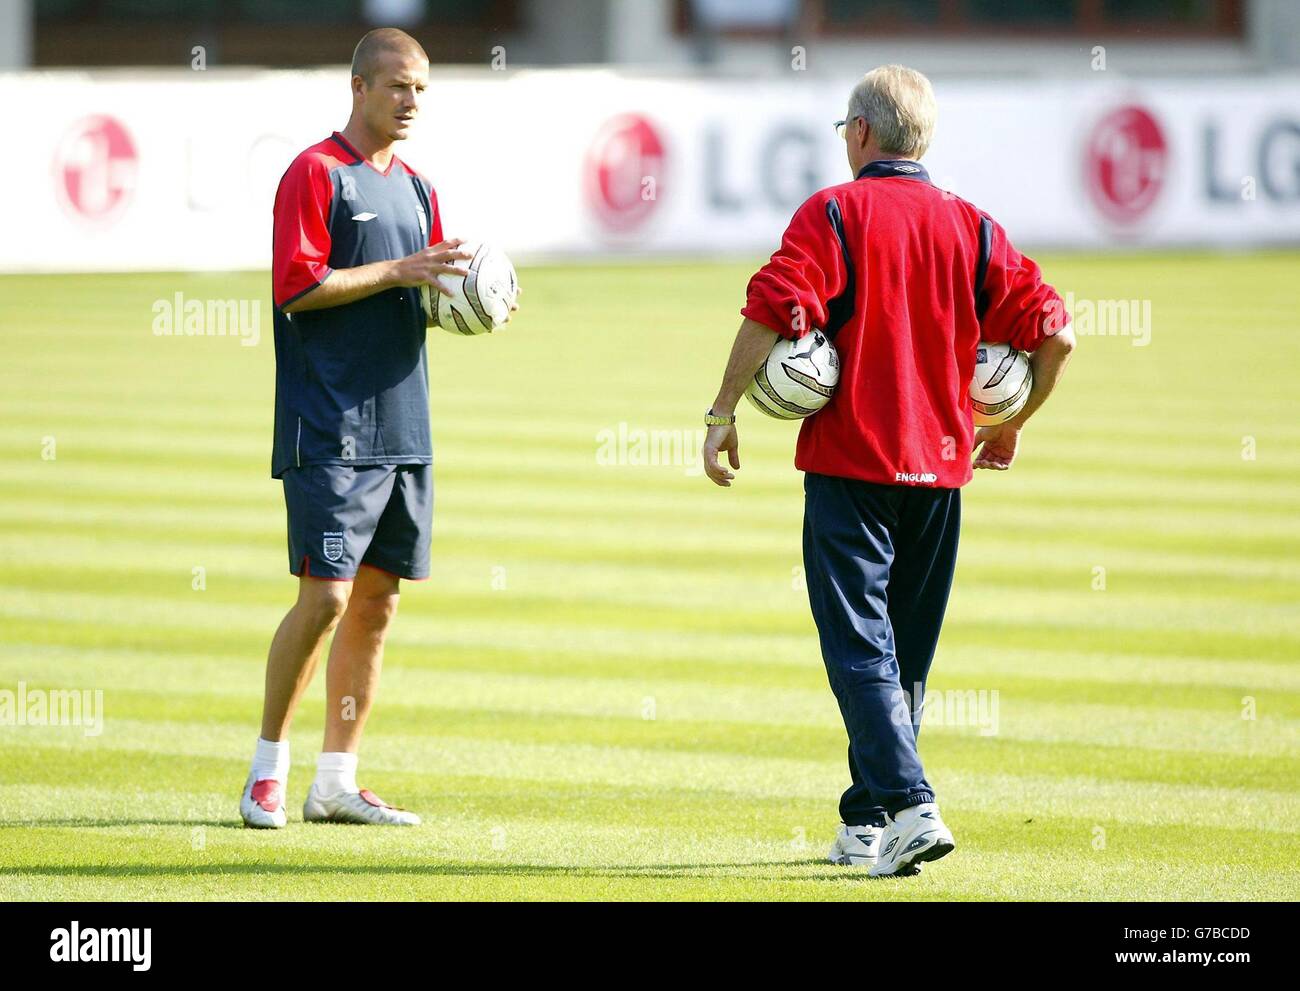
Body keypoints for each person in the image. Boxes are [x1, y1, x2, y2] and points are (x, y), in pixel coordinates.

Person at [700, 65, 1075, 876]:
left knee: (858, 648)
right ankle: (867, 818)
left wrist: (722, 411)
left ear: (861, 134)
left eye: (845, 129)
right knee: (904, 655)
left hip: (851, 464)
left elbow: (772, 305)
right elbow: (1058, 334)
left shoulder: (835, 211)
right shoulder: (972, 226)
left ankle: (911, 801)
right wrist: (1011, 423)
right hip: (941, 474)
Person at [240, 27, 497, 828]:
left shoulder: (418, 186)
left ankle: (337, 781)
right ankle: (265, 772)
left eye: (420, 88)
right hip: (331, 425)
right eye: (397, 87)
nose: (411, 101)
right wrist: (401, 269)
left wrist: (477, 301)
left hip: (405, 426)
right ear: (358, 88)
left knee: (377, 604)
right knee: (324, 598)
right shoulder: (315, 174)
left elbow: (425, 294)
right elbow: (298, 287)